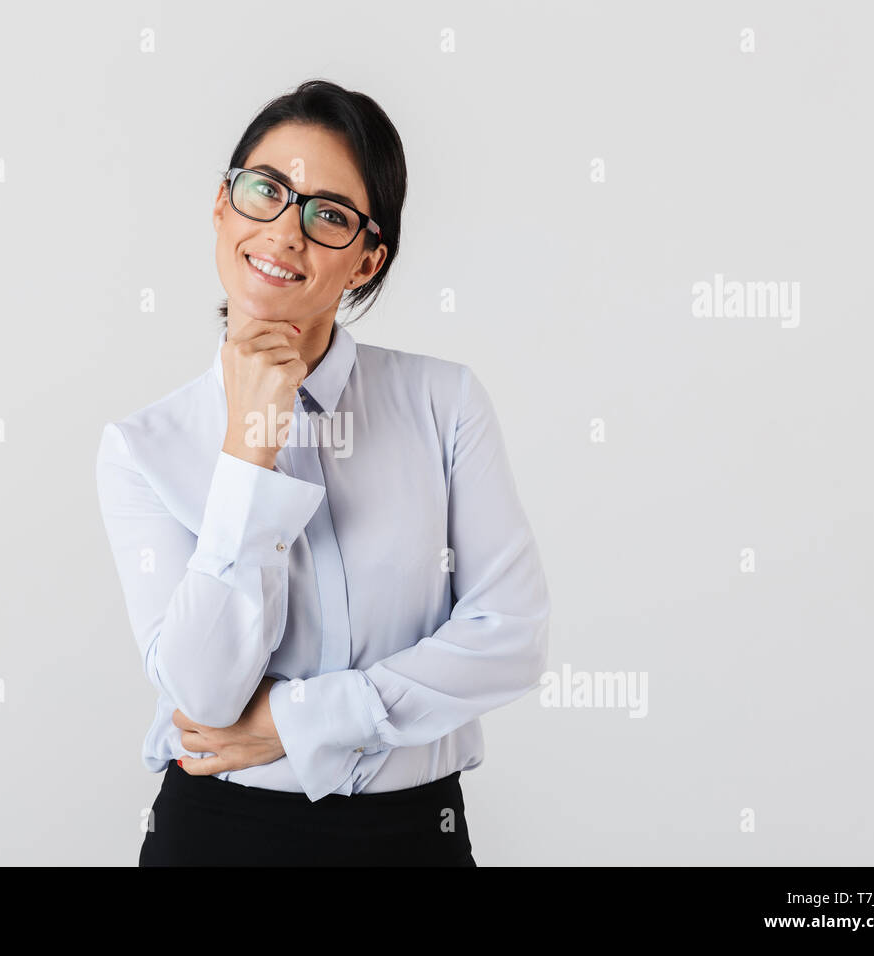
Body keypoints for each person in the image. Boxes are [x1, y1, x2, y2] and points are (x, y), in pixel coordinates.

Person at [95, 79, 551, 866]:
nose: (284, 231)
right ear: (221, 206)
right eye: (265, 191)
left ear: (368, 260)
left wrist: (296, 721)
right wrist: (248, 452)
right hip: (220, 837)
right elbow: (202, 695)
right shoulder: (144, 448)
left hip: (416, 840)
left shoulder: (444, 403)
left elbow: (510, 636)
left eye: (329, 213)